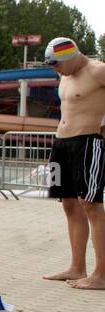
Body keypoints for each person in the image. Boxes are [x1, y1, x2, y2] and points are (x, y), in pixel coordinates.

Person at [40, 38, 105, 289]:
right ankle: (77, 268)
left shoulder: (98, 71)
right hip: (61, 144)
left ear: (72, 56)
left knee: (91, 204)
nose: (55, 70)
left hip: (88, 143)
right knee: (68, 204)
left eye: (57, 65)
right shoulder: (64, 76)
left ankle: (101, 274)